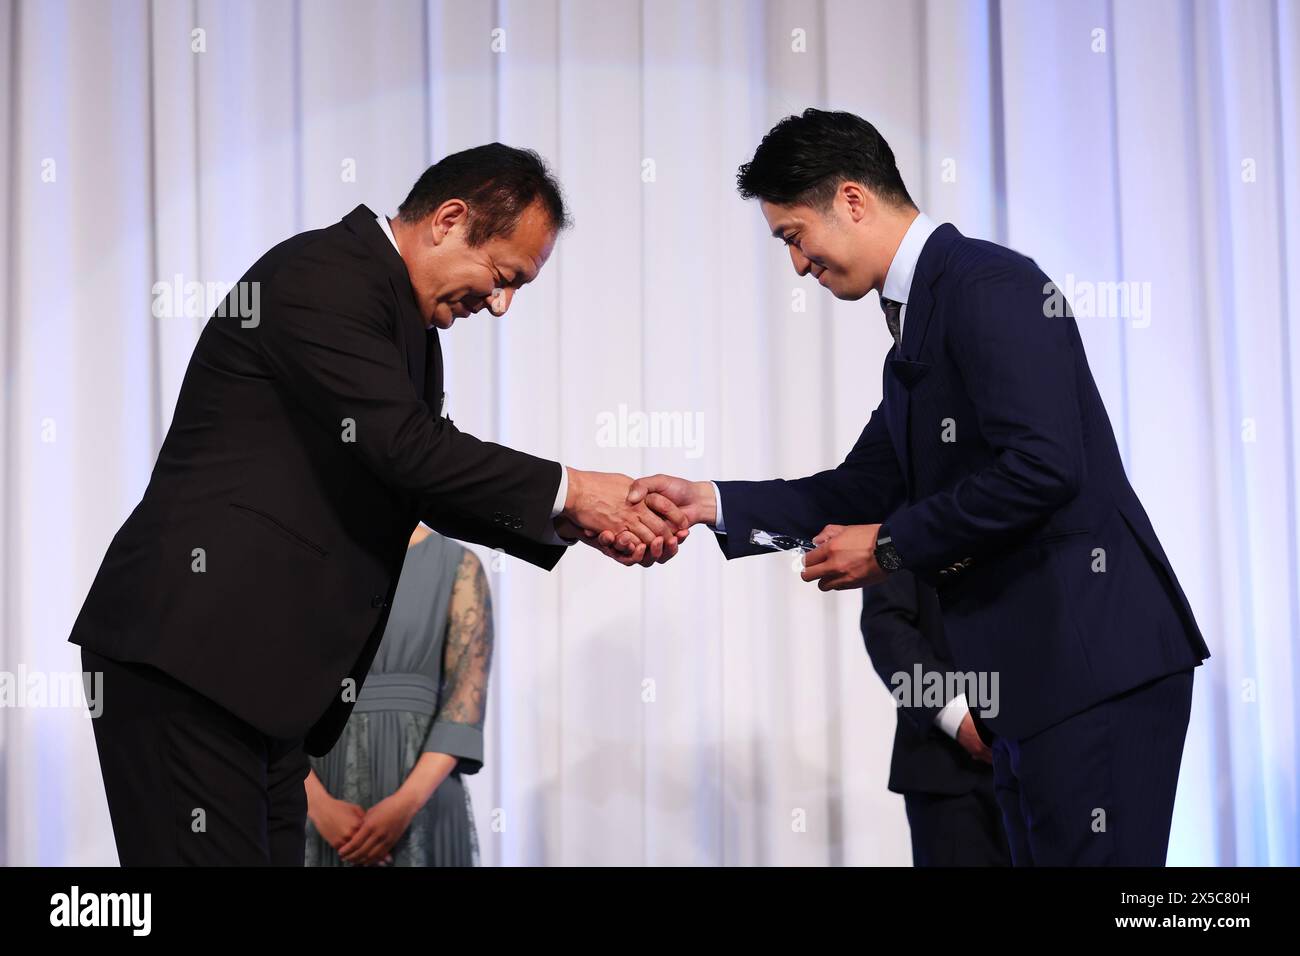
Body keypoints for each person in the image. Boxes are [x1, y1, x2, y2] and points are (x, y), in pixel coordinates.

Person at [71, 143, 688, 865]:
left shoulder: (397, 314)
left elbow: (417, 474)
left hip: (254, 683)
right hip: (190, 656)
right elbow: (407, 449)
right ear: (449, 220)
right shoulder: (323, 277)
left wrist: (574, 519)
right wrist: (576, 488)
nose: (500, 303)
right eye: (502, 276)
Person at [627, 109, 1210, 866]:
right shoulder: (923, 315)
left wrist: (891, 547)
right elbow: (862, 485)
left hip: (1091, 672)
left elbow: (1043, 466)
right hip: (1038, 688)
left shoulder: (988, 284)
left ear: (852, 200)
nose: (798, 264)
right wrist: (711, 503)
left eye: (793, 236)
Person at [305, 526, 491, 867]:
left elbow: (464, 704)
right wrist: (316, 805)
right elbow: (269, 696)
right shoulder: (302, 556)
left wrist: (406, 804)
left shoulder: (458, 565)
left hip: (425, 793)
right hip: (317, 788)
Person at [861, 569, 1009, 866]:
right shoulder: (897, 522)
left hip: (1058, 764)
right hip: (950, 772)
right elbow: (886, 625)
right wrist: (959, 718)